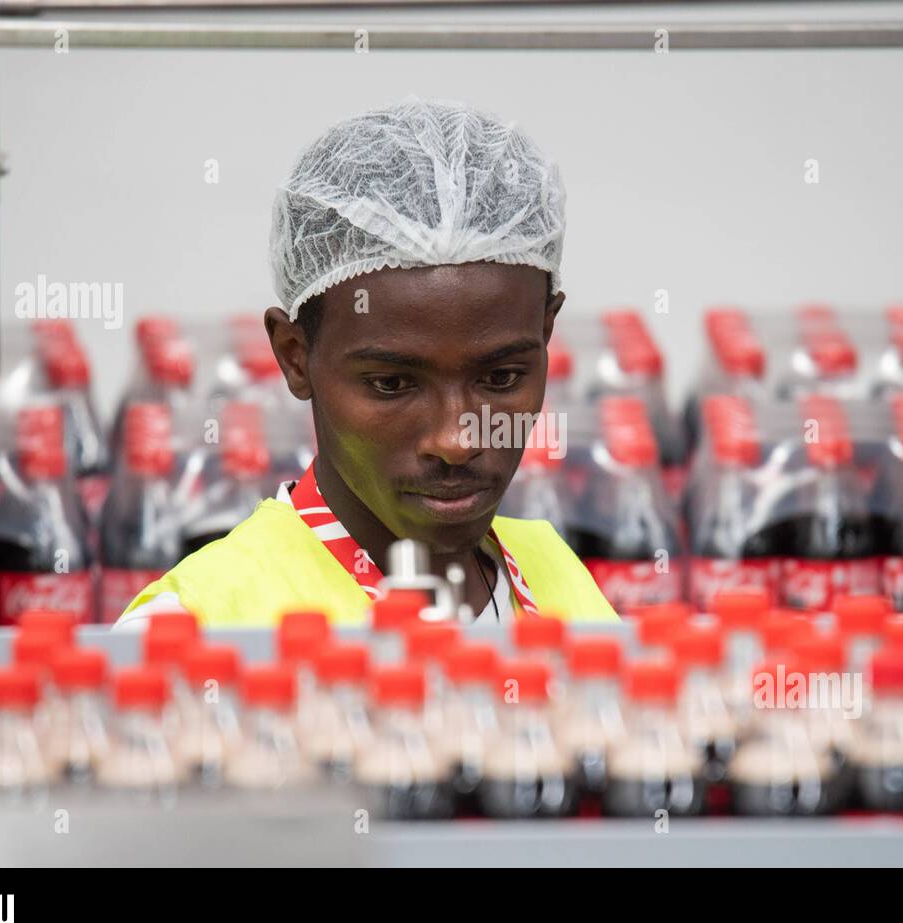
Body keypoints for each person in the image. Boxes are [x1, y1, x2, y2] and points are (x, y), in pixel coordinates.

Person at [118, 96, 617, 627]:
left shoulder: (555, 571)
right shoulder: (199, 627)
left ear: (547, 331)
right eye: (392, 383)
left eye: (500, 378)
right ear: (295, 357)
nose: (458, 439)